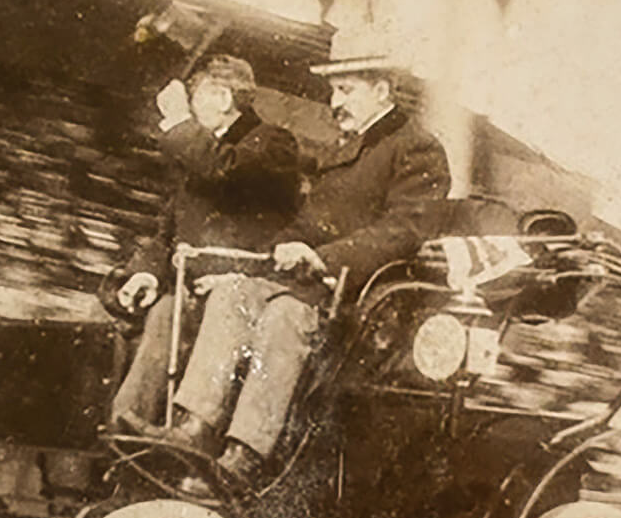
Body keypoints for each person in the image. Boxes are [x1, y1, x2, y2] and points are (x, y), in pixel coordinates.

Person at [162, 47, 452, 487]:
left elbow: (404, 231)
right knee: (235, 292)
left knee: (284, 315)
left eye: (346, 90)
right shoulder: (348, 149)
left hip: (364, 302)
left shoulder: (416, 148)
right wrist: (262, 260)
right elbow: (306, 224)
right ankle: (195, 428)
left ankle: (245, 453)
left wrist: (325, 257)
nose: (335, 102)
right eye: (334, 90)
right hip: (314, 287)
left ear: (381, 90)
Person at [109, 55, 301, 431]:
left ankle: (185, 431)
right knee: (164, 309)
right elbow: (167, 232)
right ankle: (124, 426)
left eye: (195, 100)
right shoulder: (200, 154)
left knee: (179, 311)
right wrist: (146, 273)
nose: (193, 113)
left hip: (243, 292)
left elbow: (223, 168)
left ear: (223, 98)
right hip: (194, 291)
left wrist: (180, 121)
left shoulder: (273, 144)